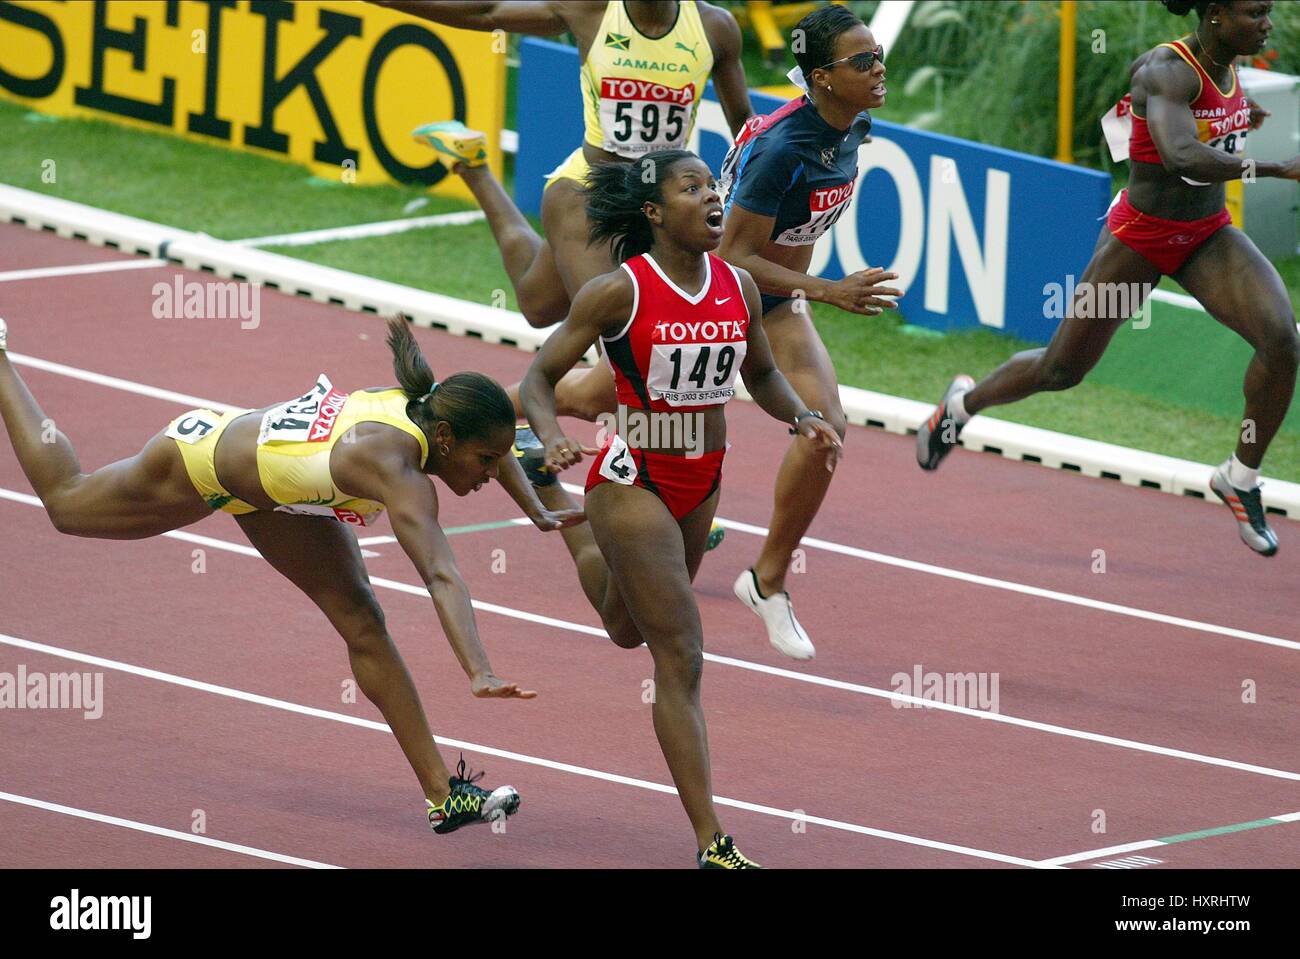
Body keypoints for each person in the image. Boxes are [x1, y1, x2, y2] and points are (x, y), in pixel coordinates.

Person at [0, 314, 586, 834]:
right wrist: (478, 672)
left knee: (364, 619)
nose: (490, 472)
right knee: (67, 506)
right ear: (445, 440)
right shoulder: (394, 466)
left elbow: (503, 443)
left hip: (273, 496)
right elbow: (440, 575)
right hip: (197, 464)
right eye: (483, 462)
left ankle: (443, 797)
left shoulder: (435, 409)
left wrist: (535, 511)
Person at [518, 149, 843, 867]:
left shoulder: (738, 284)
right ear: (656, 213)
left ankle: (561, 520)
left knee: (624, 627)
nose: (712, 195)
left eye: (713, 184)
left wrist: (801, 416)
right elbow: (539, 378)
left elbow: (760, 372)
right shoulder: (617, 292)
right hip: (633, 475)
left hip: (704, 476)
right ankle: (713, 842)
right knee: (681, 652)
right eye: (691, 187)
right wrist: (547, 434)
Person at [916, 0, 1299, 557]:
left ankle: (1238, 477)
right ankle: (960, 407)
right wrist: (1273, 168)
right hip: (1140, 239)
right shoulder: (1164, 69)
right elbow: (1179, 157)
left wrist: (1236, 122)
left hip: (1206, 236)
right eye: (1254, 12)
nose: (1267, 23)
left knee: (1282, 338)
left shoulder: (1228, 65)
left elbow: (1125, 126)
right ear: (1215, 14)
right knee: (1060, 370)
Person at [372, 0, 753, 422]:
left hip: (655, 203)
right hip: (587, 191)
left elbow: (744, 126)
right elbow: (488, 12)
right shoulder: (592, 9)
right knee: (618, 352)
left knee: (538, 305)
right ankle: (499, 424)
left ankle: (473, 164)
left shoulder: (715, 27)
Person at [716, 4, 900, 657]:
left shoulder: (853, 127)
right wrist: (829, 289)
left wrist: (804, 290)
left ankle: (766, 581)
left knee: (825, 429)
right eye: (863, 62)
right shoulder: (781, 149)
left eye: (879, 56)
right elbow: (731, 256)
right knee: (596, 397)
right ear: (821, 77)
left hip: (777, 305)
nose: (880, 70)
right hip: (710, 299)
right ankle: (523, 414)